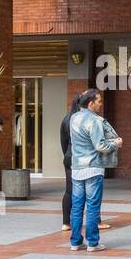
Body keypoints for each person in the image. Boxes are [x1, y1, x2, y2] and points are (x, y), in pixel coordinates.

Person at [69, 88, 121, 252]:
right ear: (91, 103)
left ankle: (76, 242)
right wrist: (116, 143)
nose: (100, 104)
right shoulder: (95, 120)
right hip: (92, 168)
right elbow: (101, 145)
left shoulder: (74, 118)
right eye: (98, 101)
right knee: (92, 207)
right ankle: (93, 242)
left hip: (77, 167)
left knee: (77, 207)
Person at [60, 94, 80, 231]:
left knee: (69, 190)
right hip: (80, 158)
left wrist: (67, 153)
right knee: (90, 190)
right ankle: (96, 221)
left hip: (69, 156)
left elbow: (63, 142)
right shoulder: (85, 119)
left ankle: (66, 223)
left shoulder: (66, 119)